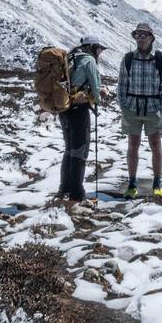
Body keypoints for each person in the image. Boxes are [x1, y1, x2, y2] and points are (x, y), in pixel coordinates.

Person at [117, 23, 162, 199]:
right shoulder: (128, 58)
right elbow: (121, 85)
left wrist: (161, 107)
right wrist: (124, 106)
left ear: (151, 37)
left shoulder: (160, 58)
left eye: (144, 35)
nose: (140, 38)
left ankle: (157, 183)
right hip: (132, 108)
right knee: (132, 145)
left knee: (155, 145)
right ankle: (132, 184)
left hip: (152, 109)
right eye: (138, 35)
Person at [58, 36, 105, 203]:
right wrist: (98, 97)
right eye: (99, 48)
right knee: (80, 150)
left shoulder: (69, 57)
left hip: (64, 108)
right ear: (91, 47)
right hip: (79, 109)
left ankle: (64, 189)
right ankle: (77, 193)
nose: (100, 52)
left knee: (69, 148)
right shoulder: (89, 60)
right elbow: (96, 87)